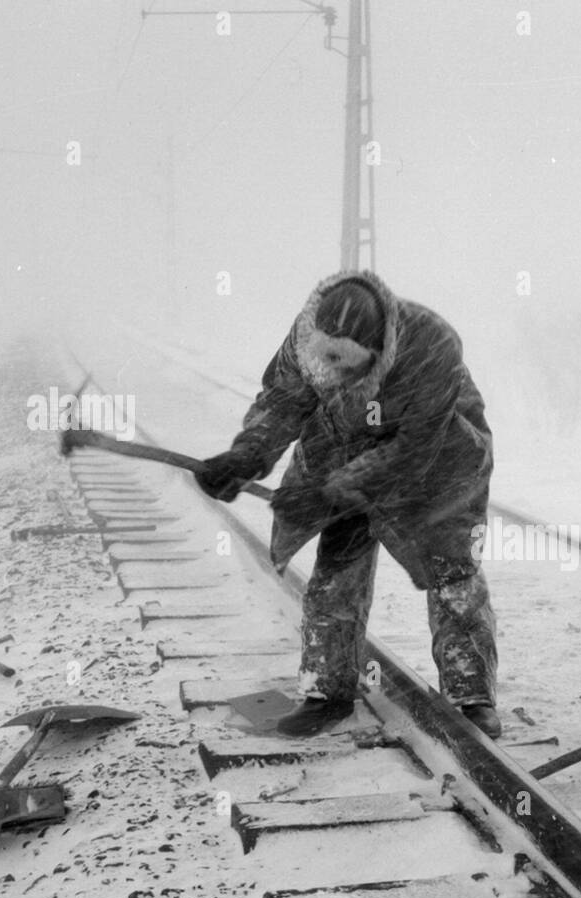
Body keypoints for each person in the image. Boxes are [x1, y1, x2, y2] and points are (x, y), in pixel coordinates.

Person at [195, 269, 500, 738]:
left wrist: (337, 488)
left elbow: (417, 444)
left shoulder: (431, 342)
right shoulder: (305, 337)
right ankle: (326, 690)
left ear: (379, 351)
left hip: (440, 460)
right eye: (329, 365)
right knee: (336, 571)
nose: (336, 376)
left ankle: (471, 696)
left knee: (451, 571)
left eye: (350, 367)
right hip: (342, 443)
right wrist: (247, 456)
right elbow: (282, 404)